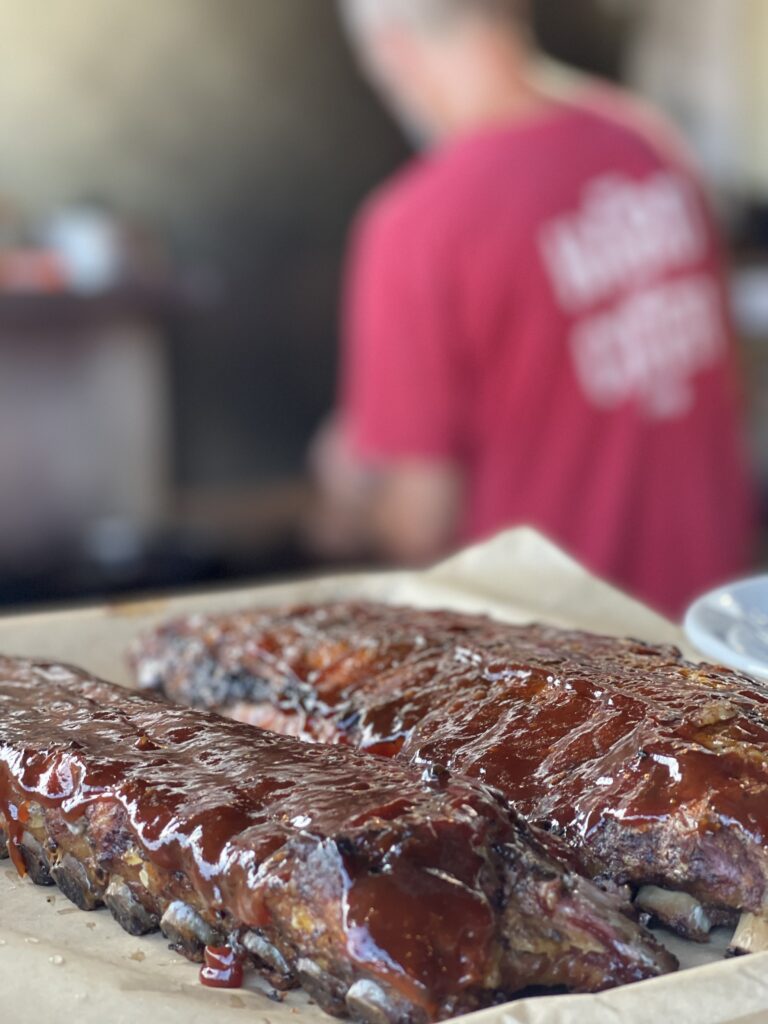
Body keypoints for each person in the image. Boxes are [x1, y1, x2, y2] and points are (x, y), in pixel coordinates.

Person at [309, 0, 756, 619]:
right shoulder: (648, 144)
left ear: (392, 50)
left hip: (562, 655)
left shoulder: (415, 226)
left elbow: (418, 523)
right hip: (714, 629)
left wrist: (348, 489)